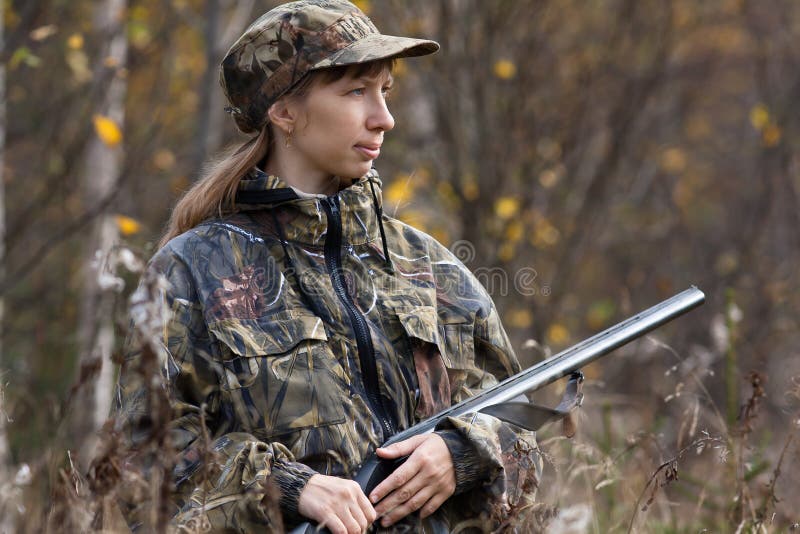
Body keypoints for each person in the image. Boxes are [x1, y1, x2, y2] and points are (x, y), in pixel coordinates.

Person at [113, 1, 542, 532]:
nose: (384, 117)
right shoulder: (192, 273)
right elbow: (140, 464)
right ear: (284, 111)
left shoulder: (430, 267)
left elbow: (523, 424)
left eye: (385, 91)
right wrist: (285, 487)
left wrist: (464, 449)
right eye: (355, 91)